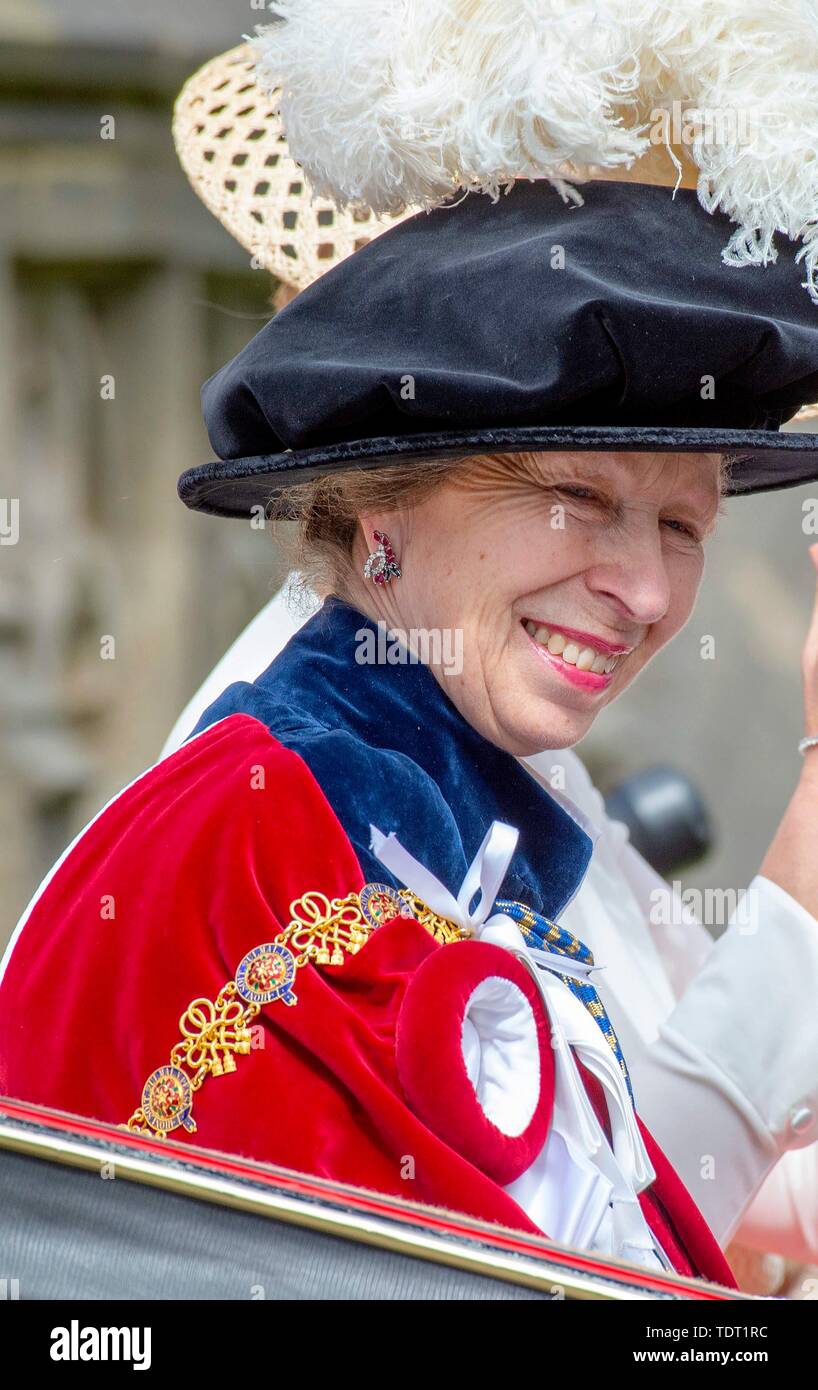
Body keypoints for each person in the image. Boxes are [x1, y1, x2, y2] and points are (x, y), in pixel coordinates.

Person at [4, 5, 818, 1289]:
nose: (650, 589)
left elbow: (631, 1228)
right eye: (579, 500)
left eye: (682, 522)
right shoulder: (250, 840)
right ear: (383, 502)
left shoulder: (476, 793)